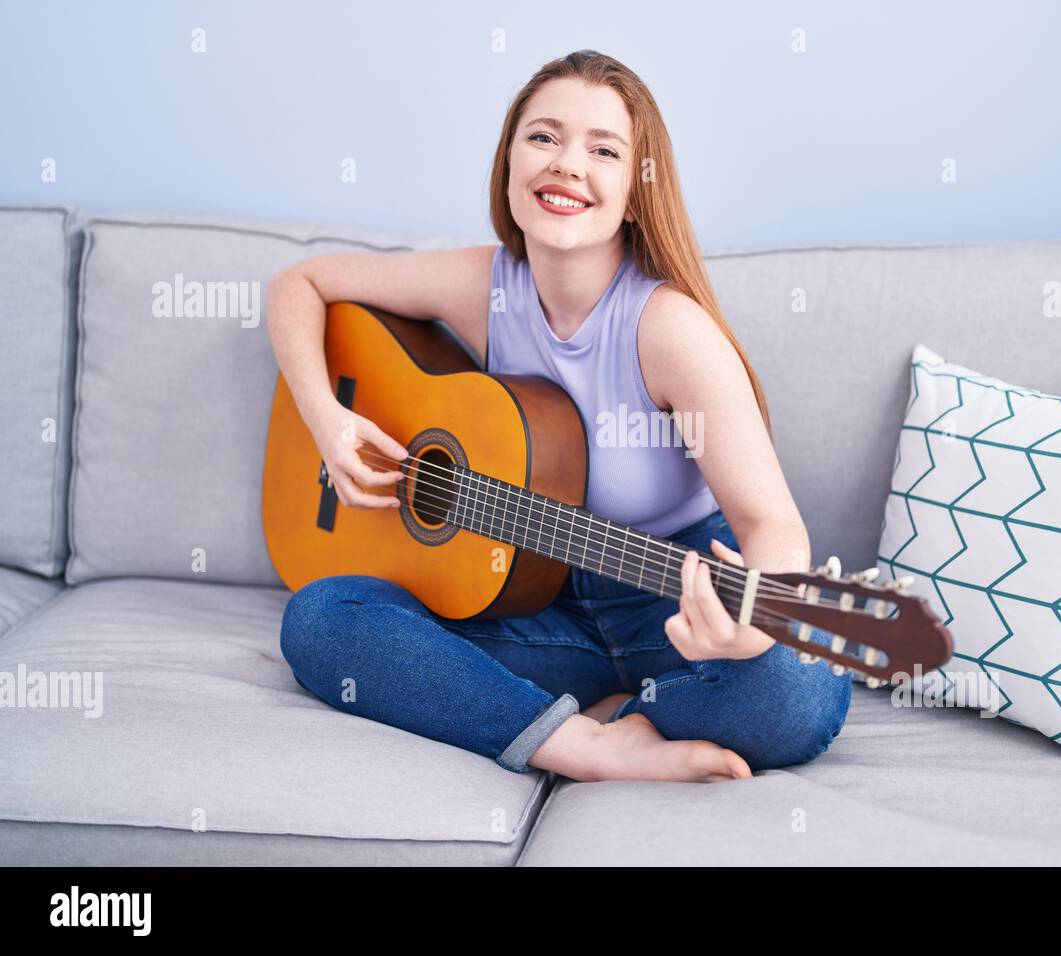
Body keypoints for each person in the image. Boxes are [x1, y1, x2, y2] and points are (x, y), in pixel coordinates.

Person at [267, 49, 850, 783]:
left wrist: (750, 628)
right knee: (322, 620)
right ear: (509, 163)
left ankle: (586, 705)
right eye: (543, 137)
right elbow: (301, 282)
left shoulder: (668, 330)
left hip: (675, 603)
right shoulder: (482, 285)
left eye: (603, 150)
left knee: (794, 692)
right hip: (533, 602)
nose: (567, 164)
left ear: (637, 195)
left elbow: (774, 525)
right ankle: (585, 744)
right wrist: (328, 419)